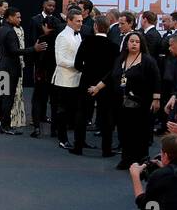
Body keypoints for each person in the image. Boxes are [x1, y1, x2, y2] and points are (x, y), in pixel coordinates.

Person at [110, 31, 161, 169]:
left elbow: (156, 80)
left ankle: (141, 160)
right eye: (131, 41)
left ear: (141, 44)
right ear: (126, 43)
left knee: (140, 132)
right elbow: (113, 76)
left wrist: (156, 98)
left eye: (137, 42)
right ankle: (126, 158)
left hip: (141, 103)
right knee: (124, 131)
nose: (134, 44)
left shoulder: (148, 60)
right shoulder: (121, 59)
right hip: (121, 102)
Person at [74, 13, 119, 156]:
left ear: (95, 26)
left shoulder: (86, 41)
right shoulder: (113, 46)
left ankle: (78, 147)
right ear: (108, 28)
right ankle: (106, 150)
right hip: (105, 85)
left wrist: (86, 71)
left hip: (86, 82)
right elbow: (115, 70)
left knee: (82, 114)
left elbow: (77, 64)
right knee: (106, 116)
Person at [0, 7, 45, 135]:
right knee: (8, 97)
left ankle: (3, 124)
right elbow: (15, 51)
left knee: (3, 95)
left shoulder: (2, 29)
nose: (20, 19)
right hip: (10, 68)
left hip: (1, 66)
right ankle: (6, 126)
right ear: (10, 17)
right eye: (17, 17)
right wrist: (34, 49)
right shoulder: (10, 32)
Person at [52, 9, 84, 149]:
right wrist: (79, 65)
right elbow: (60, 60)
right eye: (78, 21)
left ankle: (78, 140)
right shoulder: (62, 36)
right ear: (69, 20)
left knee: (74, 111)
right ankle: (62, 139)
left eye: (81, 21)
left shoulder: (78, 35)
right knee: (63, 111)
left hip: (76, 79)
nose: (80, 23)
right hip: (64, 80)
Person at [30, 12, 63, 138]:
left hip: (42, 74)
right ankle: (54, 130)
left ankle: (37, 128)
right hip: (56, 75)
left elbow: (37, 57)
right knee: (54, 103)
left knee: (37, 100)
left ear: (45, 25)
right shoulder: (60, 39)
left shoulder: (42, 39)